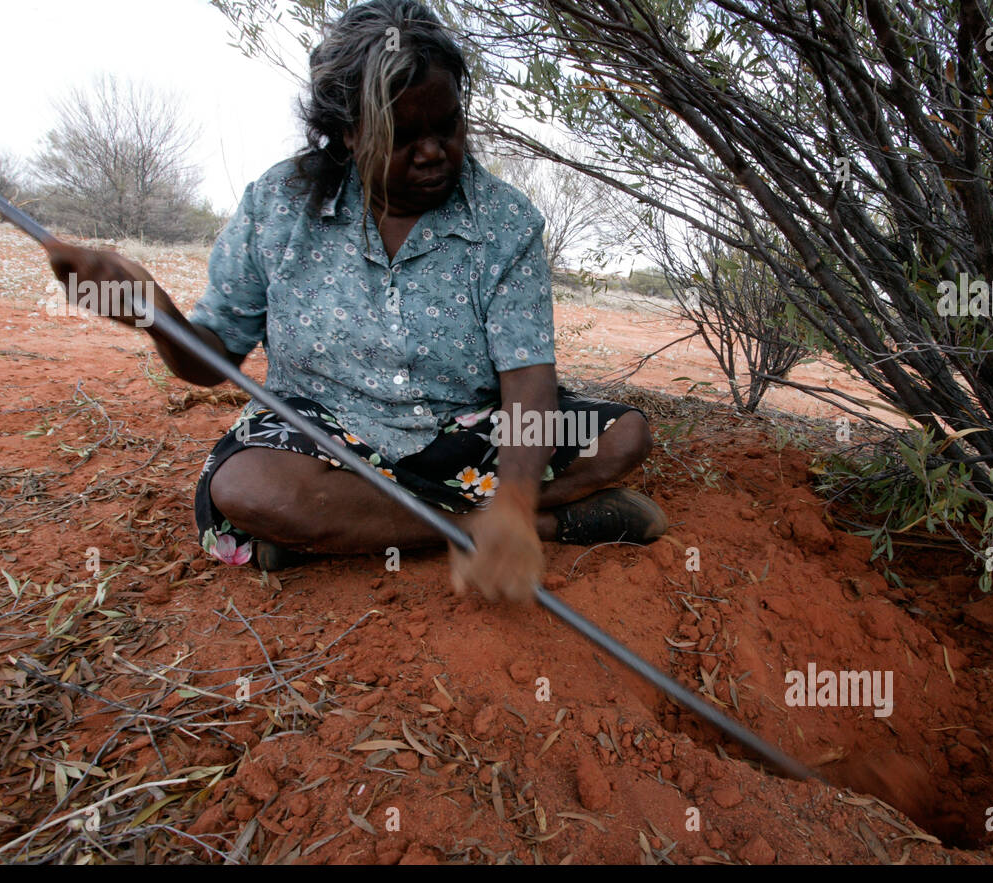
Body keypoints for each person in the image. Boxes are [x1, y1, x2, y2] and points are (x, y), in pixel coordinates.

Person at [44, 0, 667, 602]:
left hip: (467, 437)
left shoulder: (505, 221)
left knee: (621, 435)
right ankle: (524, 525)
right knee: (251, 487)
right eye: (403, 134)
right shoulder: (279, 203)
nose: (433, 152)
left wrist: (514, 494)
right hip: (325, 437)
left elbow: (528, 376)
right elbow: (213, 361)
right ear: (346, 134)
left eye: (447, 125)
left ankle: (380, 527)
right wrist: (157, 316)